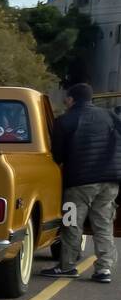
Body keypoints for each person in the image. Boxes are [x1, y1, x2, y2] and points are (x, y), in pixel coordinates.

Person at [41, 82, 121, 283]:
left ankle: (67, 266)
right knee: (103, 224)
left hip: (78, 182)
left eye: (66, 99)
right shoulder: (111, 117)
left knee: (71, 224)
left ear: (71, 99)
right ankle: (104, 269)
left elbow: (57, 155)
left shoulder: (65, 121)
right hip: (109, 181)